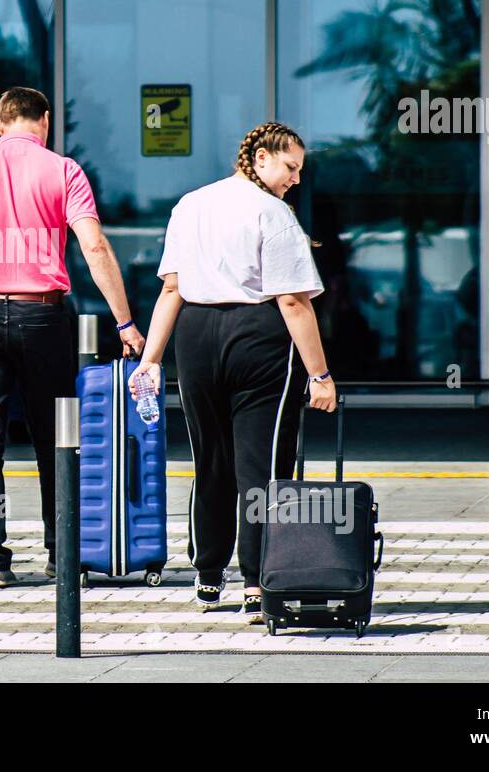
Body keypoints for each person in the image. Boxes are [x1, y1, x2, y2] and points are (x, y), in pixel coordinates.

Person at [0, 86, 145, 587]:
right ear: (44, 121)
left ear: (0, 124)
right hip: (41, 316)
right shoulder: (64, 170)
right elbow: (95, 247)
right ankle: (58, 552)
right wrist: (125, 322)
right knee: (54, 437)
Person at [130, 121, 333, 621]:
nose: (295, 179)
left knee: (210, 459)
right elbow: (292, 300)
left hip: (195, 336)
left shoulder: (190, 204)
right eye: (291, 167)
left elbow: (172, 290)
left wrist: (150, 359)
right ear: (261, 158)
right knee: (260, 465)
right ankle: (256, 578)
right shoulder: (274, 214)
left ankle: (207, 574)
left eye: (300, 171)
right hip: (257, 336)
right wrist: (321, 375)